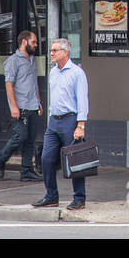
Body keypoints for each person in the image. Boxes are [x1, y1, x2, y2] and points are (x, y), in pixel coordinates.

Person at [32, 38, 89, 210]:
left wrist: (81, 125)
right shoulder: (53, 72)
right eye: (51, 50)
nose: (51, 53)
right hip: (54, 121)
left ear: (65, 52)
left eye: (55, 50)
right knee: (46, 159)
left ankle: (79, 198)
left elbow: (82, 100)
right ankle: (51, 196)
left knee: (74, 160)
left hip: (70, 120)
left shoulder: (77, 73)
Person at [0, 30, 42, 181]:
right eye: (33, 42)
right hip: (20, 107)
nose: (36, 45)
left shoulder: (32, 59)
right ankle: (1, 159)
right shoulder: (13, 61)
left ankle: (26, 171)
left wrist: (39, 102)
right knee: (20, 136)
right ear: (24, 42)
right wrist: (14, 107)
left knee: (30, 139)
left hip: (33, 105)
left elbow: (34, 83)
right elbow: (9, 85)